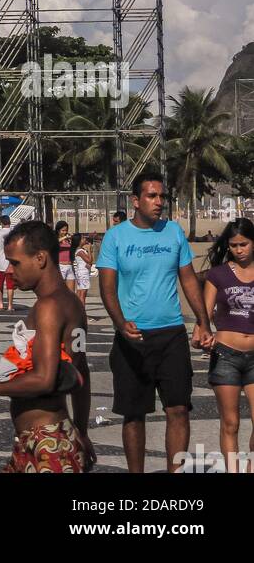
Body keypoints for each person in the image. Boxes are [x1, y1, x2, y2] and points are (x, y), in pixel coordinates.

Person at [95, 170, 214, 474]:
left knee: (178, 409)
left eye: (162, 196)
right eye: (152, 196)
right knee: (134, 414)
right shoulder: (116, 237)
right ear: (136, 201)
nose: (159, 202)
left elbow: (187, 278)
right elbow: (107, 287)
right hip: (132, 338)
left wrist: (203, 321)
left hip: (171, 333)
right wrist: (121, 323)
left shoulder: (173, 231)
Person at [0, 220, 95, 473]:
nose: (10, 270)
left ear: (40, 258)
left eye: (16, 262)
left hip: (45, 444)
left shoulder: (48, 307)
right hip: (55, 438)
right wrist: (81, 431)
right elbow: (81, 372)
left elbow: (44, 379)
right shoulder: (72, 304)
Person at [203, 218, 254, 473]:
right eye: (233, 245)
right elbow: (204, 314)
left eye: (244, 244)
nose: (239, 250)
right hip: (226, 355)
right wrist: (202, 333)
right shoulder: (218, 274)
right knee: (230, 422)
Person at [71, 232, 94, 307]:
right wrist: (90, 250)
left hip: (81, 273)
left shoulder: (81, 250)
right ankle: (83, 315)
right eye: (83, 238)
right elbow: (90, 260)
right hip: (83, 274)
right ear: (79, 241)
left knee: (79, 293)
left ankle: (77, 313)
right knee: (82, 295)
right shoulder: (80, 251)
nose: (85, 239)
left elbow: (89, 262)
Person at [55, 222, 76, 292]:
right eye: (63, 230)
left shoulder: (68, 240)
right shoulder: (56, 238)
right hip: (61, 266)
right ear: (58, 230)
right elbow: (54, 242)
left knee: (71, 292)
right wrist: (65, 237)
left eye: (66, 230)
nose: (65, 232)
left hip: (69, 266)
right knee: (60, 291)